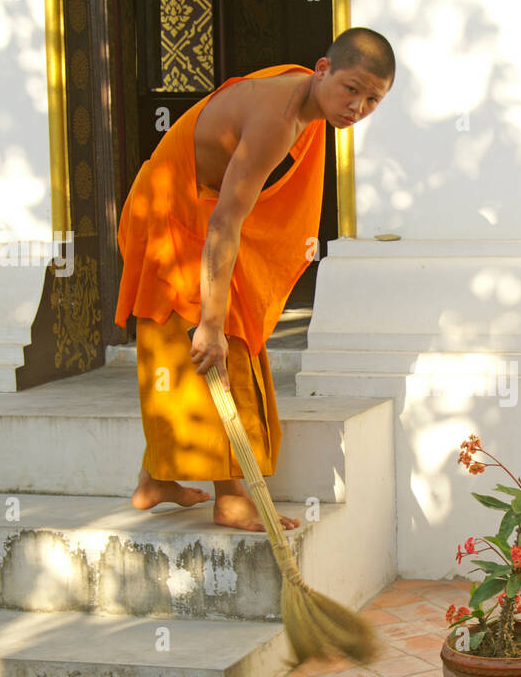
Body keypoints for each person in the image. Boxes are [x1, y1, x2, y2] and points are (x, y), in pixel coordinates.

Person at [115, 27, 394, 532]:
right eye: (351, 88)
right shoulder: (278, 120)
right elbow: (225, 222)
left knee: (178, 357)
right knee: (220, 350)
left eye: (373, 98)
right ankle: (231, 497)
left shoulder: (304, 99)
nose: (358, 106)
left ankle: (154, 478)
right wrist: (211, 323)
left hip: (189, 205)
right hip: (170, 212)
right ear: (323, 69)